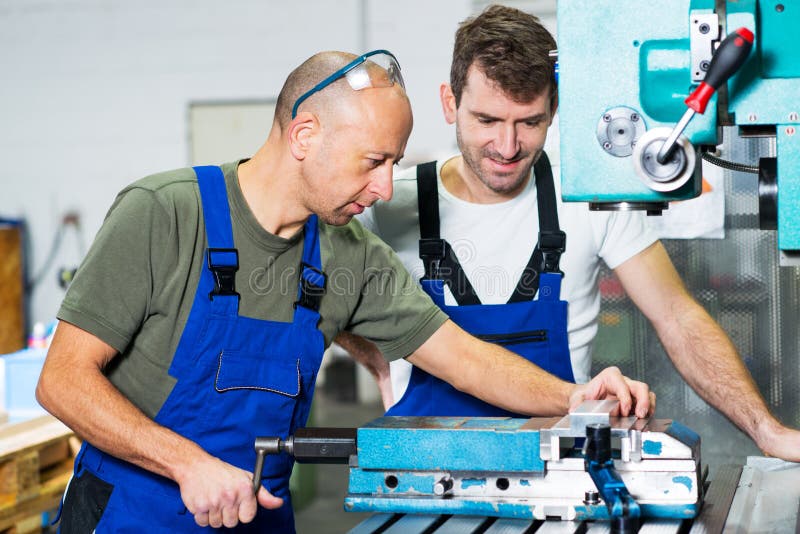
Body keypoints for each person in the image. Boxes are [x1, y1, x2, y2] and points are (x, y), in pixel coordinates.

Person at [36, 49, 652, 533]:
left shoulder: (347, 255)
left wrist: (576, 397)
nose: (387, 188)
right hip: (132, 514)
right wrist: (186, 464)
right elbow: (61, 380)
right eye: (373, 161)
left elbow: (463, 358)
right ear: (304, 136)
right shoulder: (165, 213)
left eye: (395, 163)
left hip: (262, 517)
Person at [336, 5, 800, 460]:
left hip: (562, 474)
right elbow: (314, 291)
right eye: (487, 121)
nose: (507, 146)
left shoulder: (586, 198)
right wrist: (379, 358)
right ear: (450, 103)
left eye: (529, 122)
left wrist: (767, 431)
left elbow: (677, 317)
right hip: (420, 469)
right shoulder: (385, 203)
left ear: (554, 110)